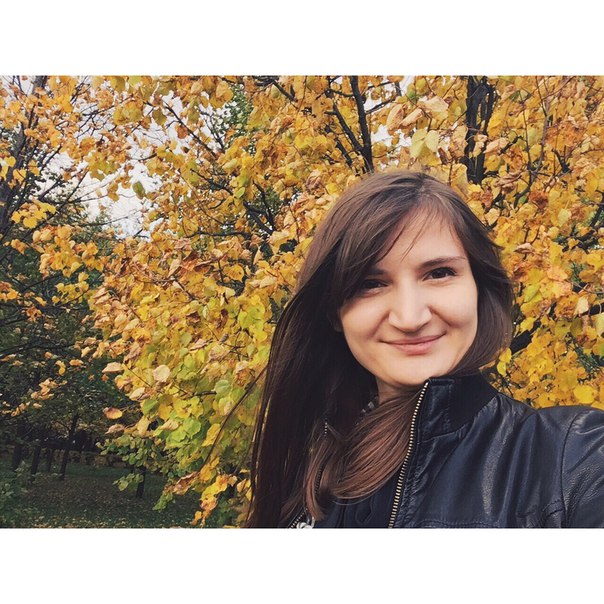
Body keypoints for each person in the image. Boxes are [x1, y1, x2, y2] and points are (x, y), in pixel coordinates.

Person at [246, 170, 604, 528]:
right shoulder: (308, 474)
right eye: (370, 283)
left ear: (480, 288)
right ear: (334, 311)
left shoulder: (573, 457)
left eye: (439, 273)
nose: (410, 318)